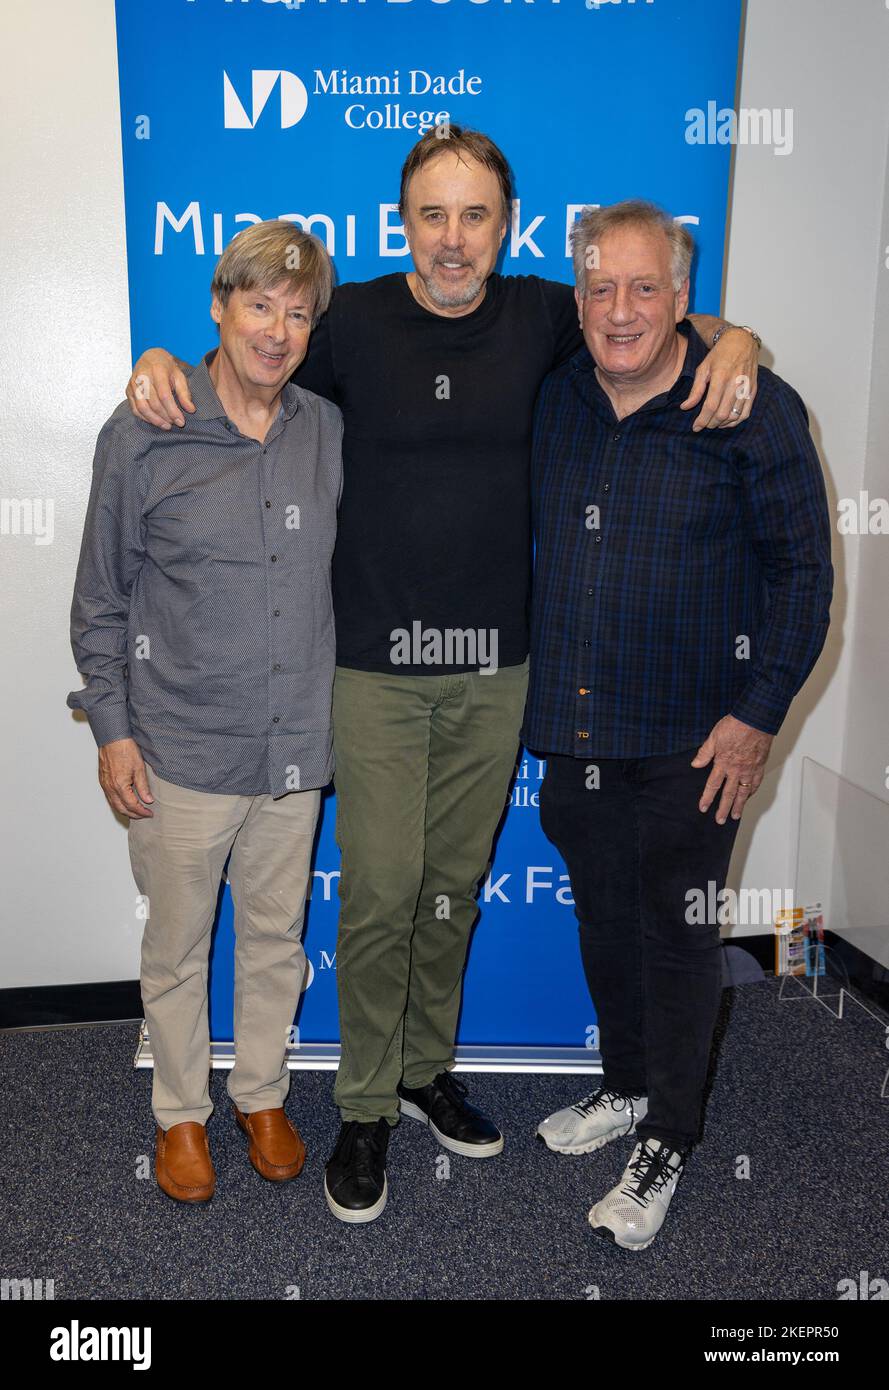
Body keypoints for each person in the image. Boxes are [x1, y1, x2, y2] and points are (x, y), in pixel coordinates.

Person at [124, 128, 762, 1224]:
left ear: (504, 225)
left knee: (446, 893)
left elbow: (644, 321)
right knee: (377, 895)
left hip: (495, 671)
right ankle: (366, 1102)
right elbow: (248, 372)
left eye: (474, 216)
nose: (453, 239)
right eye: (433, 214)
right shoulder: (356, 321)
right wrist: (164, 364)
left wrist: (737, 335)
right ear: (402, 221)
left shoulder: (539, 316)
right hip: (370, 668)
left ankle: (423, 1071)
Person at [525, 199, 833, 1250]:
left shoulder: (750, 405)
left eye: (645, 287)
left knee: (676, 935)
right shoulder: (554, 390)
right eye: (600, 286)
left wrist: (756, 718)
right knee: (604, 923)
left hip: (697, 742)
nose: (620, 309)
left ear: (683, 300)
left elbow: (804, 575)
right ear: (576, 297)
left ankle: (670, 1137)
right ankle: (623, 1086)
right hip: (577, 731)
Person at [68, 221, 343, 1203]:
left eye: (298, 312)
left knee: (275, 939)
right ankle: (181, 1113)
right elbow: (100, 598)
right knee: (176, 949)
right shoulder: (144, 431)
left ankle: (260, 1092)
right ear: (220, 309)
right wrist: (113, 731)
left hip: (291, 755)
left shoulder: (327, 428)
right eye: (260, 304)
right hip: (177, 752)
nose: (278, 329)